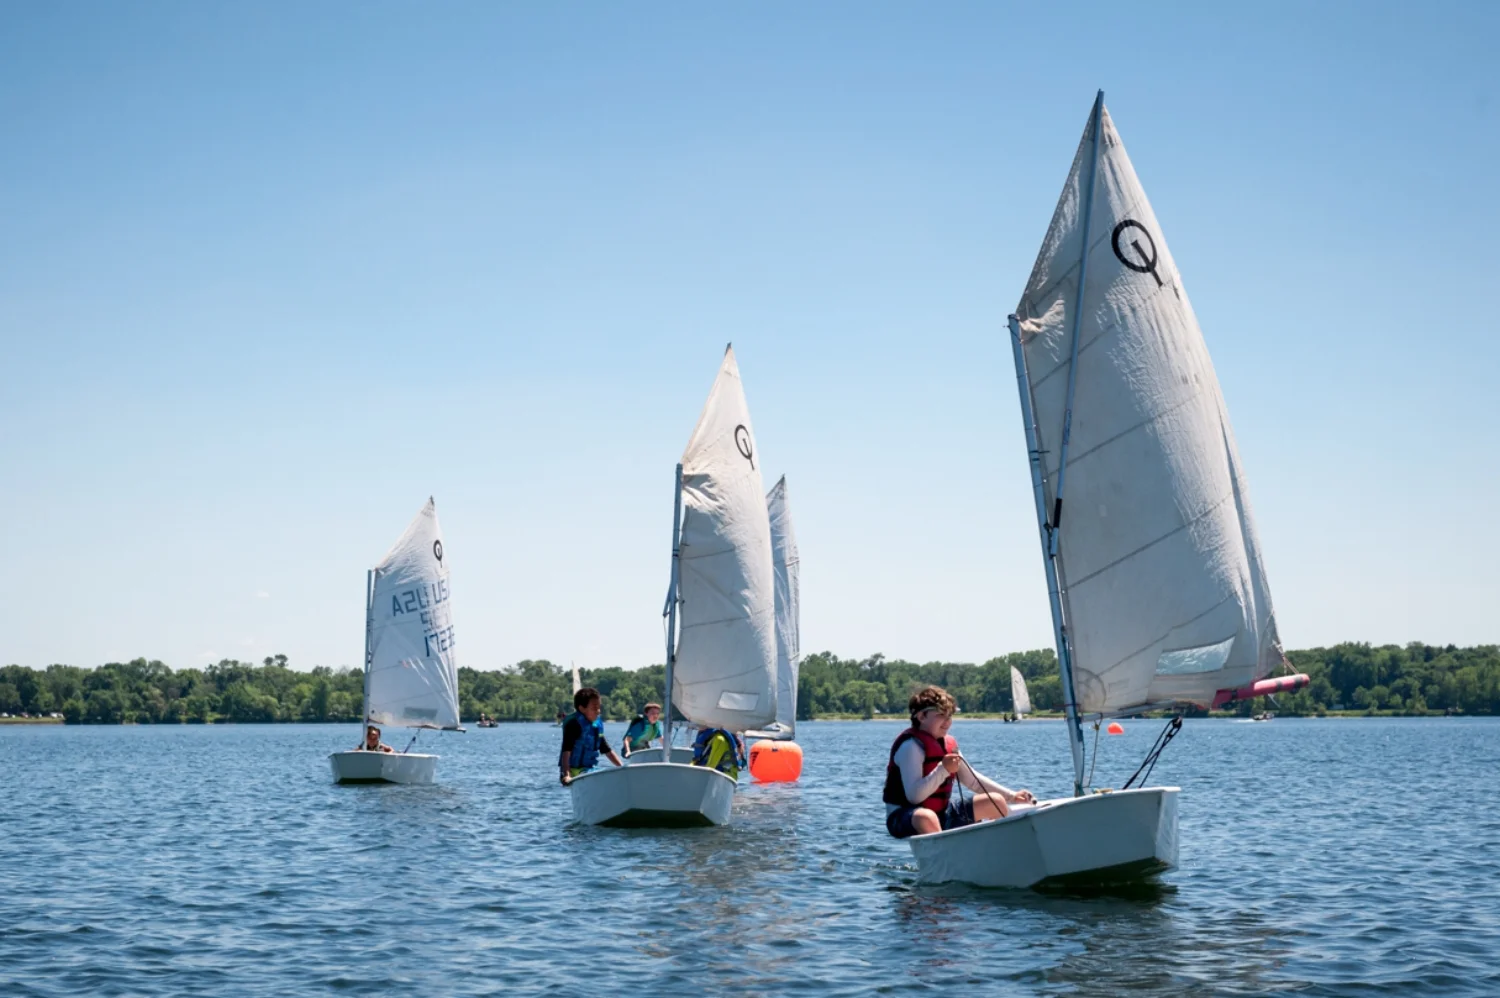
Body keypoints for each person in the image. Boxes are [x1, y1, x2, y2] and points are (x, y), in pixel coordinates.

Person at [883, 685, 1033, 838]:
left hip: (942, 813)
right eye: (941, 715)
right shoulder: (911, 747)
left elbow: (973, 782)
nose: (948, 722)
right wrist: (943, 769)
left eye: (950, 716)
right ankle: (944, 859)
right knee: (927, 817)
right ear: (922, 717)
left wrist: (1012, 796)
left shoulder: (949, 746)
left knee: (995, 801)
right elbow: (914, 796)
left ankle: (996, 852)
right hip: (904, 817)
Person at [559, 687, 623, 785]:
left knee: (610, 776)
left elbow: (607, 751)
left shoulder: (596, 726)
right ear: (582, 709)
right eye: (594, 708)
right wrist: (566, 775)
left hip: (588, 769)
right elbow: (566, 751)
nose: (598, 711)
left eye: (599, 707)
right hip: (573, 770)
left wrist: (622, 768)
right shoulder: (574, 724)